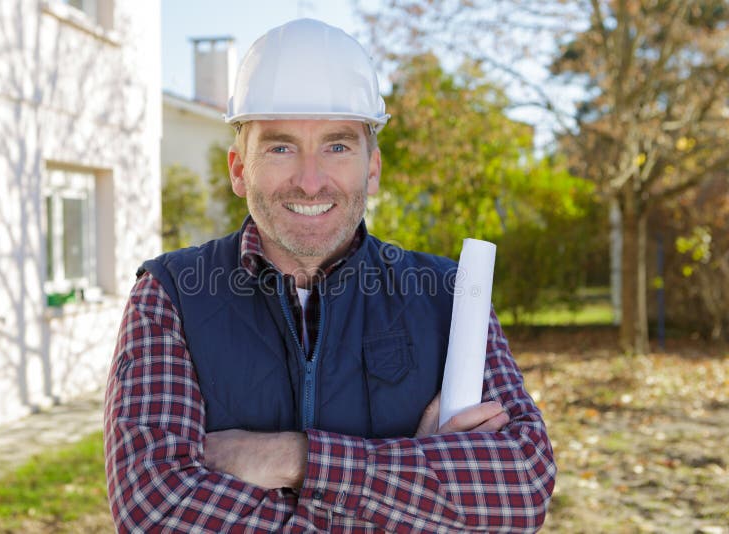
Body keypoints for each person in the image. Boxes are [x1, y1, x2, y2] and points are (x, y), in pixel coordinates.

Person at [104, 18, 555, 533]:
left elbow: (519, 491)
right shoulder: (170, 296)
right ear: (238, 169)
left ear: (373, 168)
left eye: (337, 146)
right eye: (280, 147)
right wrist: (419, 478)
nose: (311, 180)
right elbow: (155, 513)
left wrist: (295, 458)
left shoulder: (448, 296)